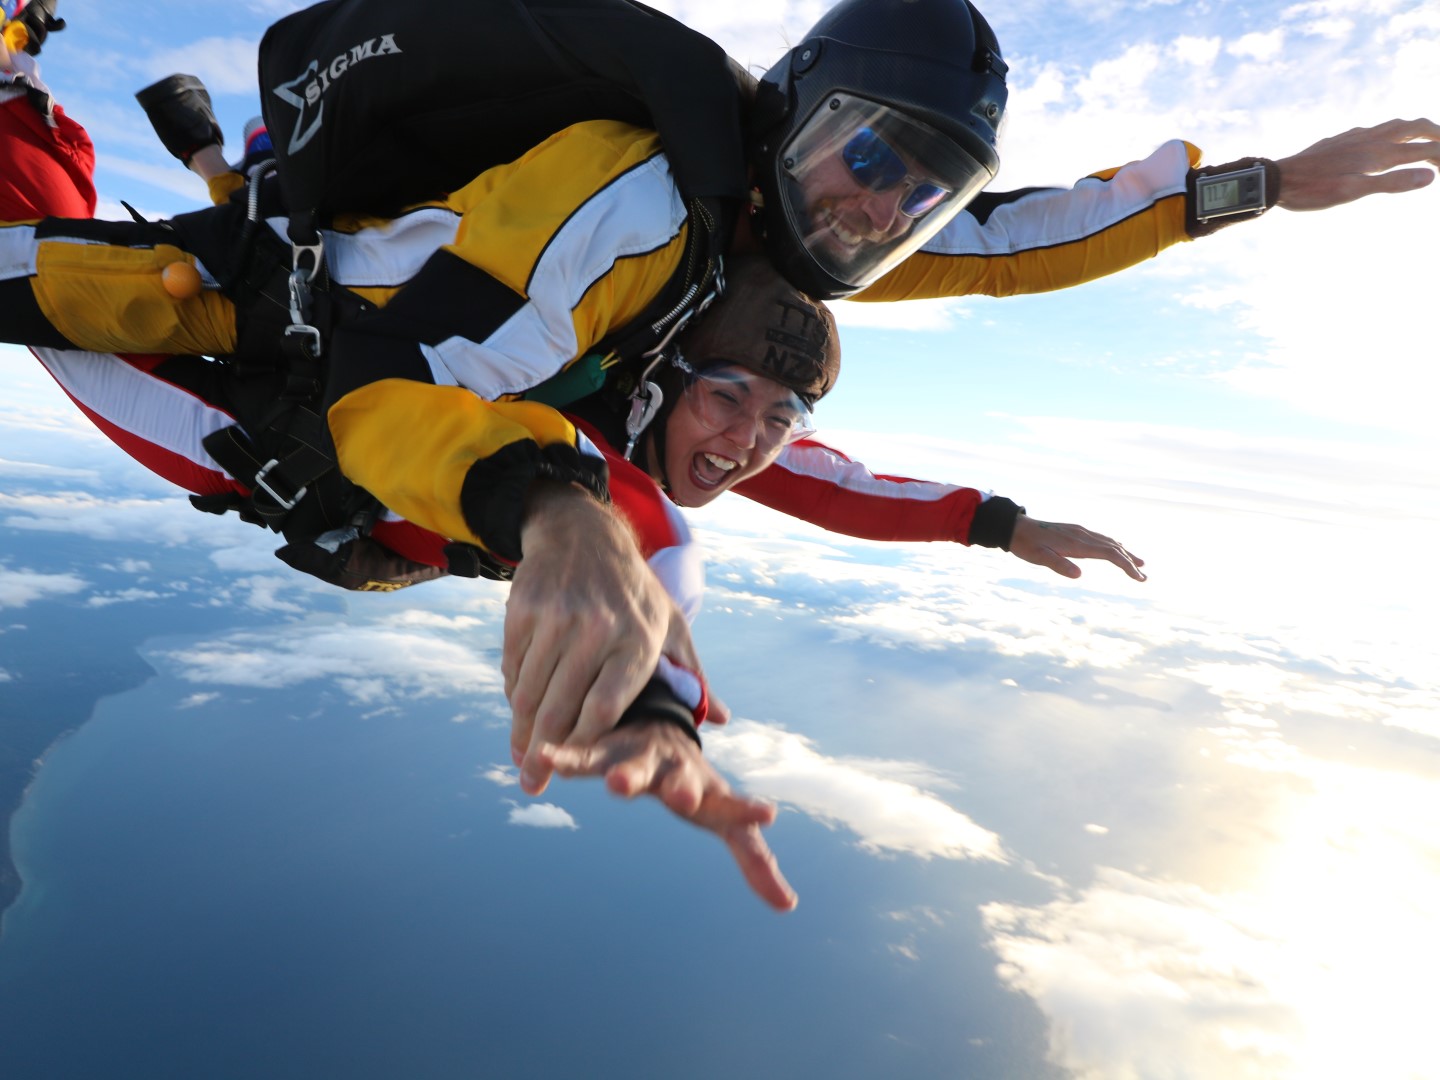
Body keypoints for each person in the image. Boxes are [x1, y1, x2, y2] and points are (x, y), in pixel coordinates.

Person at [2, 0, 1435, 806]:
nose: (877, 209)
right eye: (866, 155)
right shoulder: (636, 206)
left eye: (915, 189)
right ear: (794, 114)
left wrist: (1246, 190)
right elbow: (395, 395)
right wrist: (545, 518)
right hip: (286, 323)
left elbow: (1007, 249)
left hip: (382, 376)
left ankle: (70, 117)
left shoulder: (772, 260)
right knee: (66, 290)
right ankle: (30, 92)